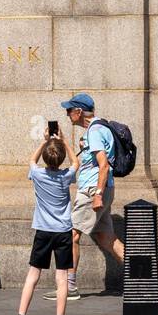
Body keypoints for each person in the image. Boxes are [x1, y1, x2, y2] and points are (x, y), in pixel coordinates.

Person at [5, 129, 78, 315]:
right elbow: (76, 163)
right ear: (61, 157)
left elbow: (31, 160)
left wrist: (44, 142)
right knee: (62, 278)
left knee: (33, 275)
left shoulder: (37, 174)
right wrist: (64, 141)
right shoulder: (66, 176)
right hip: (63, 231)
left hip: (43, 231)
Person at [59, 93, 124, 301]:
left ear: (78, 112)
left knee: (72, 235)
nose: (67, 114)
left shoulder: (94, 132)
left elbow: (103, 165)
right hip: (104, 188)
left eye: (69, 110)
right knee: (106, 238)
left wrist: (97, 194)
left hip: (92, 190)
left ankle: (69, 286)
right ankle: (141, 276)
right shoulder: (99, 129)